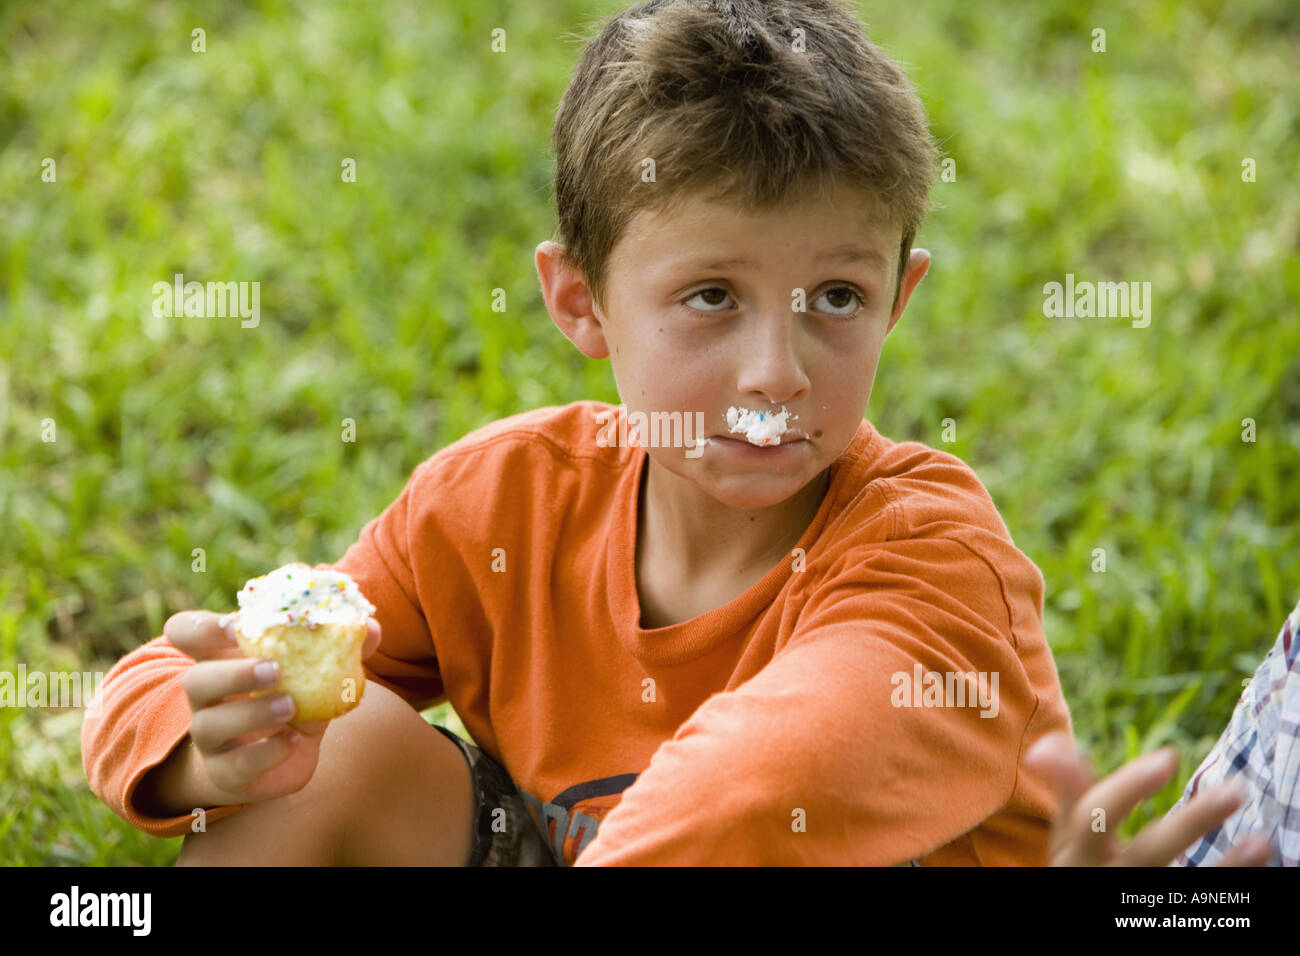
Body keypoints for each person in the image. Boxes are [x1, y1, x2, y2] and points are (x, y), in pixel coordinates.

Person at [76, 0, 1256, 866]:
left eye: (834, 298)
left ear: (900, 297)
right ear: (579, 302)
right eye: (709, 297)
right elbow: (172, 674)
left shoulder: (932, 560)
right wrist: (204, 741)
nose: (771, 375)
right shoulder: (505, 500)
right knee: (336, 738)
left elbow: (755, 787)